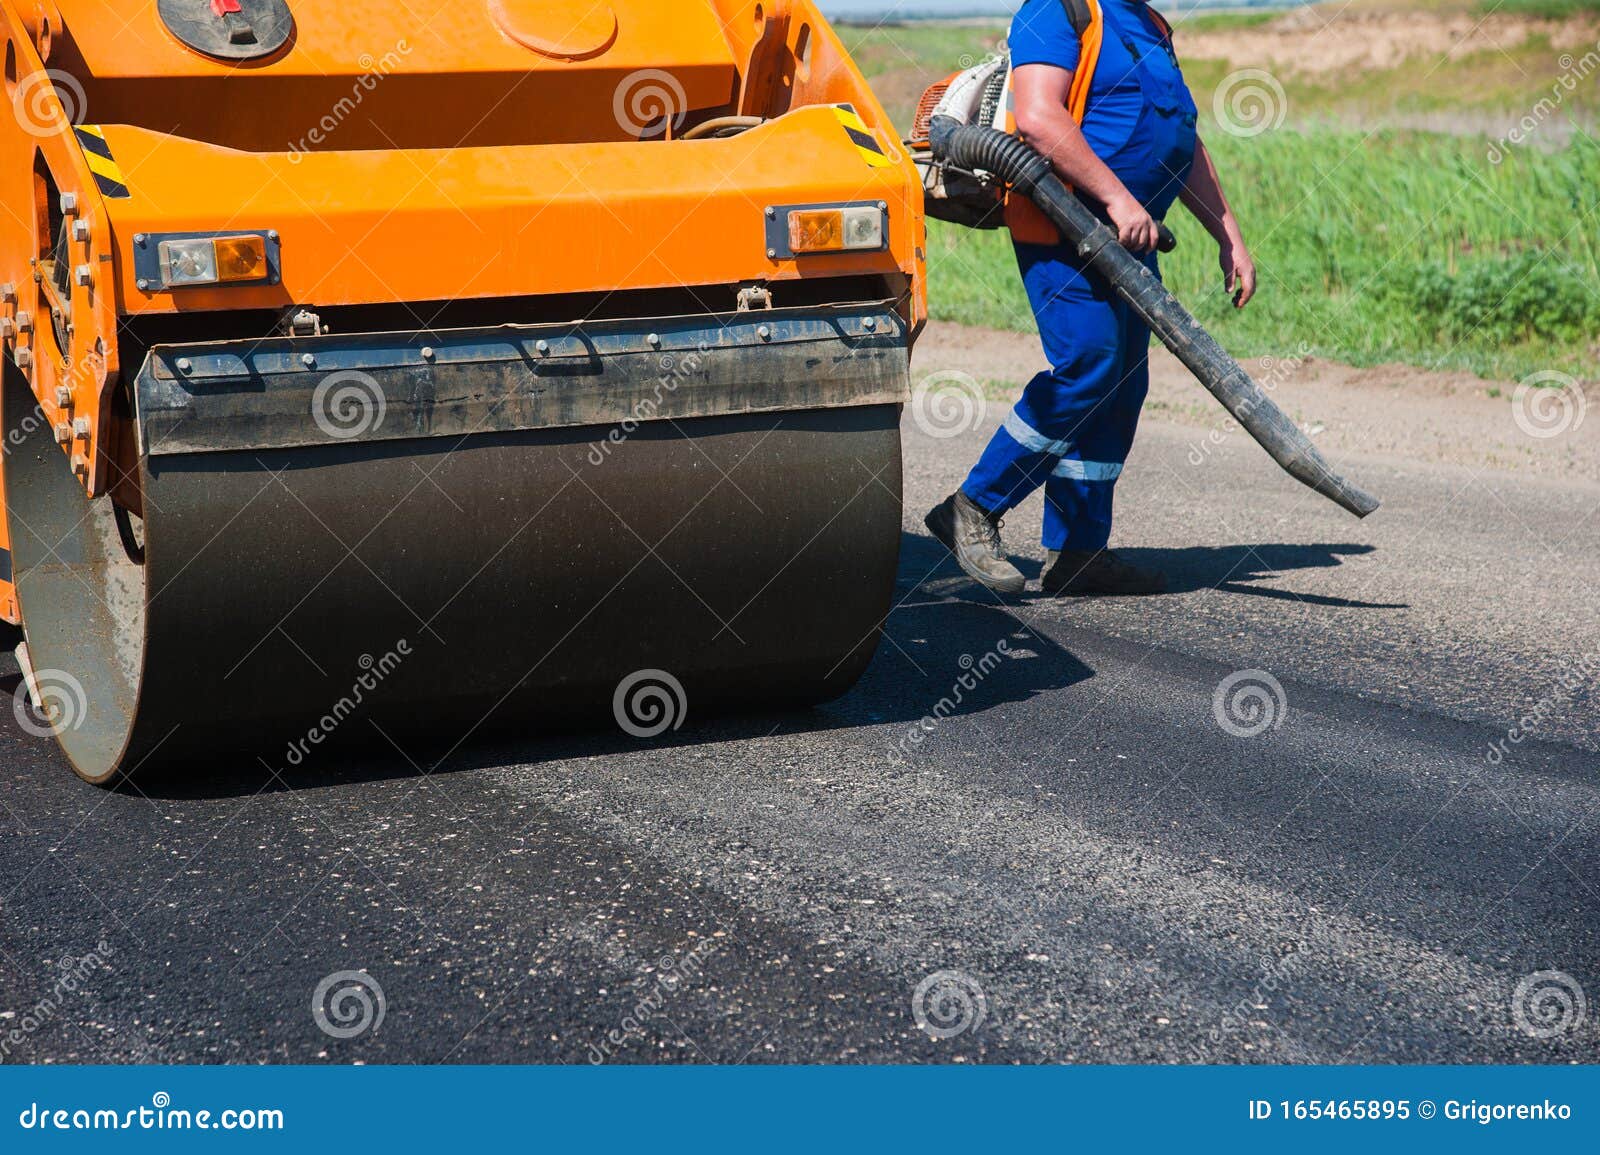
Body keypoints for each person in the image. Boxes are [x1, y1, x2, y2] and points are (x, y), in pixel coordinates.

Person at [926, 0, 1256, 596]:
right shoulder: (1058, 10)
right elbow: (1037, 118)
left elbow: (1182, 138)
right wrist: (1118, 198)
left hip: (1129, 238)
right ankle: (971, 508)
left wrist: (1227, 235)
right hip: (1062, 227)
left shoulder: (1149, 24)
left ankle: (1079, 551)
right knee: (1090, 365)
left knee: (1124, 381)